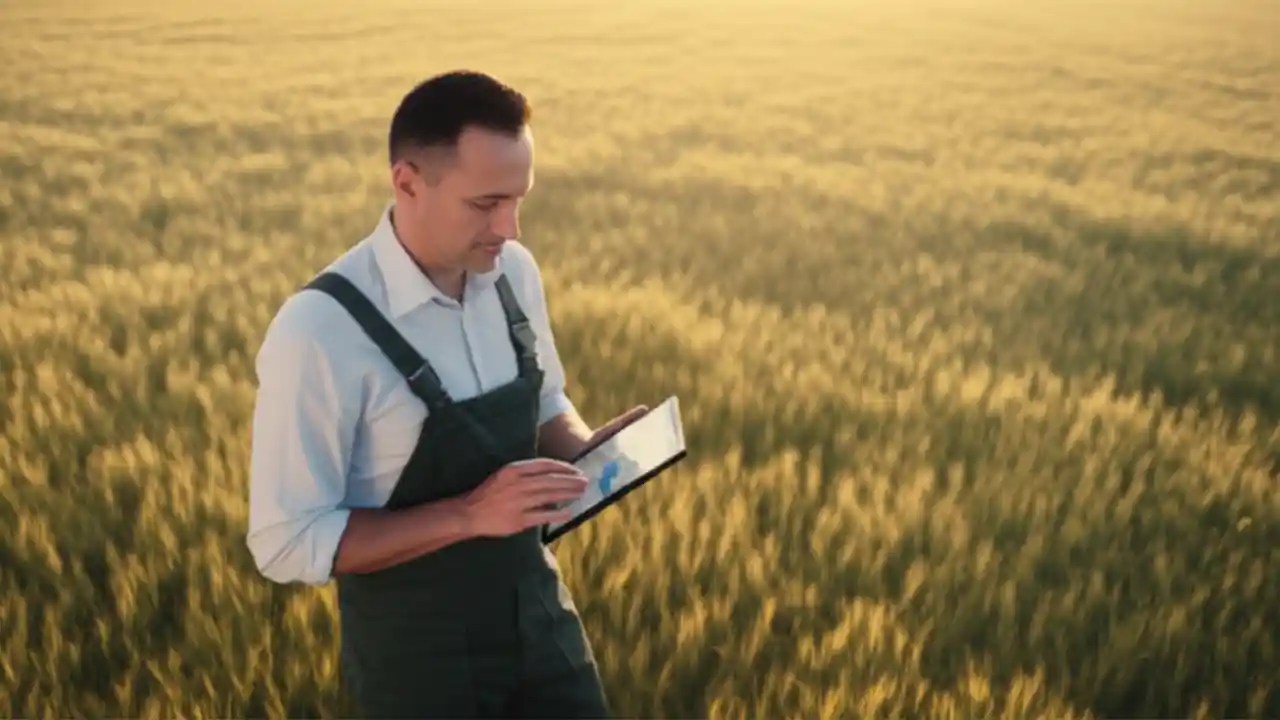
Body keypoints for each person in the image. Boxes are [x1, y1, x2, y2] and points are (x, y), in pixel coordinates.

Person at [245, 70, 647, 718]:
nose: (509, 228)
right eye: (486, 204)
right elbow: (286, 540)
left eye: (520, 199)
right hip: (418, 666)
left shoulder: (512, 271)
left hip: (543, 624)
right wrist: (467, 514)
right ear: (407, 182)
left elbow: (545, 400)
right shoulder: (319, 331)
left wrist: (587, 450)